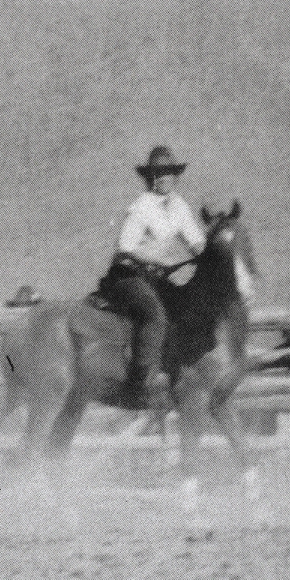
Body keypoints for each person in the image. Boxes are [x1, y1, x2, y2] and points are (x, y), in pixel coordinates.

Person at [98, 146, 206, 409]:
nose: (163, 178)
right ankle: (136, 387)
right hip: (128, 275)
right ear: (150, 178)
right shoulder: (141, 206)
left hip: (155, 278)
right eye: (158, 174)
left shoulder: (179, 206)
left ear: (175, 176)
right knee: (155, 314)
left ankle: (174, 380)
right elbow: (125, 248)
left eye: (168, 173)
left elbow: (197, 242)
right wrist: (164, 262)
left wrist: (214, 258)